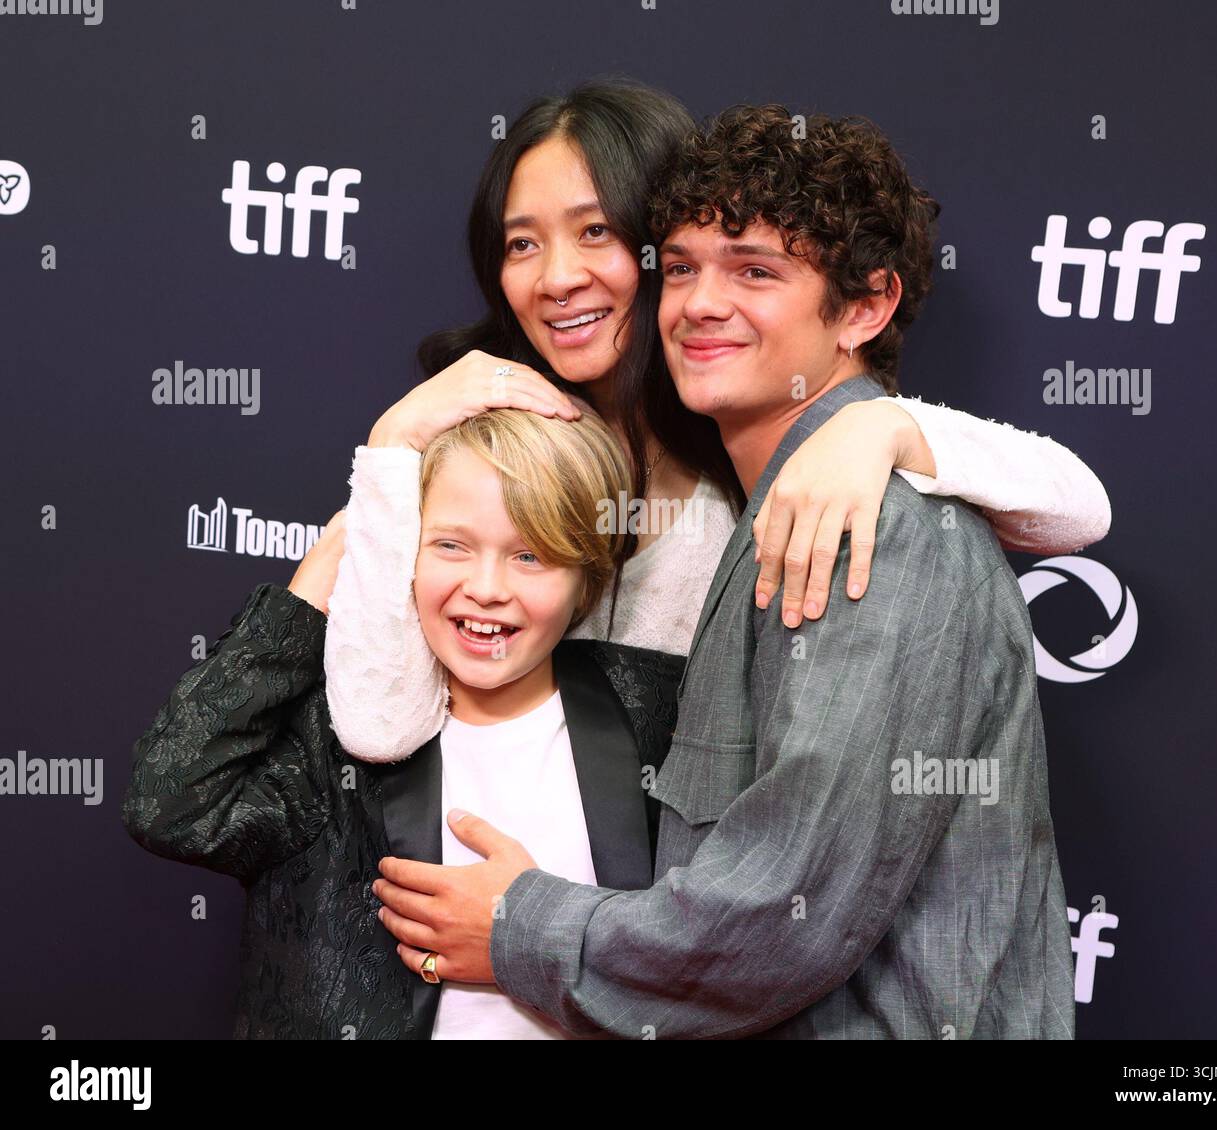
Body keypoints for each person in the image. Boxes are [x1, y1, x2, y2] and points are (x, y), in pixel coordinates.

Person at [374, 103, 1076, 1040]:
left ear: (865, 307)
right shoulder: (775, 508)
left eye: (755, 271)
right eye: (685, 267)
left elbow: (780, 914)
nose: (701, 303)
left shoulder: (867, 530)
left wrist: (514, 926)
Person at [325, 77, 1110, 765]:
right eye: (521, 243)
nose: (557, 278)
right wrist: (394, 447)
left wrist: (885, 429)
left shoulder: (753, 468)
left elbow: (1077, 503)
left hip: (650, 923)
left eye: (595, 231)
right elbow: (377, 723)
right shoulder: (470, 457)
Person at [120, 408, 684, 1040]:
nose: (487, 587)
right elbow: (167, 808)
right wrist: (307, 597)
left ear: (587, 579)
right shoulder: (336, 733)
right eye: (451, 545)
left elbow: (727, 944)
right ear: (398, 552)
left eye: (531, 555)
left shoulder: (655, 707)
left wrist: (524, 933)